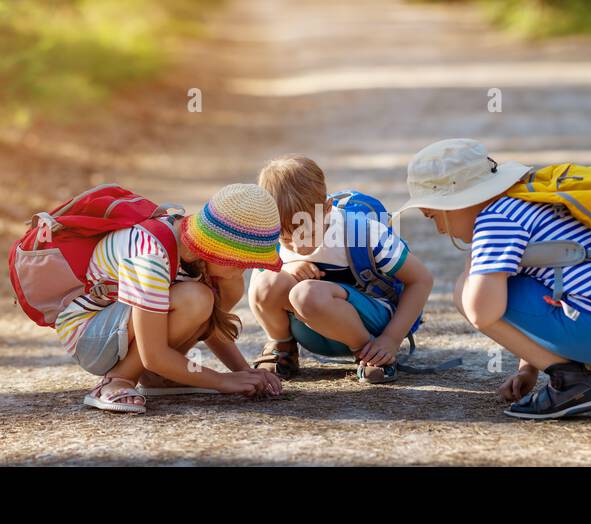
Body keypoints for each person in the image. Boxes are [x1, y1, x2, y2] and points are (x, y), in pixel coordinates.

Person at [395, 139, 591, 419]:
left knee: (465, 291)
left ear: (452, 203)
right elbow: (553, 277)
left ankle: (570, 383)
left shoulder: (495, 220)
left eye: (432, 216)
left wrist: (472, 264)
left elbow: (482, 312)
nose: (439, 230)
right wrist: (528, 366)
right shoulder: (537, 196)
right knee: (572, 273)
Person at [55, 183, 285, 413]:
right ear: (219, 252)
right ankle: (117, 380)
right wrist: (222, 381)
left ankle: (158, 379)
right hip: (90, 337)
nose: (243, 272)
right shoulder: (150, 255)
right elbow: (153, 355)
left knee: (214, 294)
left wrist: (243, 373)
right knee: (197, 298)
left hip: (123, 332)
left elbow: (211, 325)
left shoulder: (193, 252)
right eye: (242, 263)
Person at [247, 155, 433, 384]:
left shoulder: (362, 233)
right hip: (314, 327)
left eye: (308, 234)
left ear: (327, 209)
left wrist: (390, 340)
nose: (298, 246)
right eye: (286, 239)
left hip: (371, 323)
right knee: (265, 281)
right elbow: (260, 290)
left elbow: (421, 280)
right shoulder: (274, 236)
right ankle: (282, 347)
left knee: (305, 294)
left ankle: (370, 355)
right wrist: (286, 267)